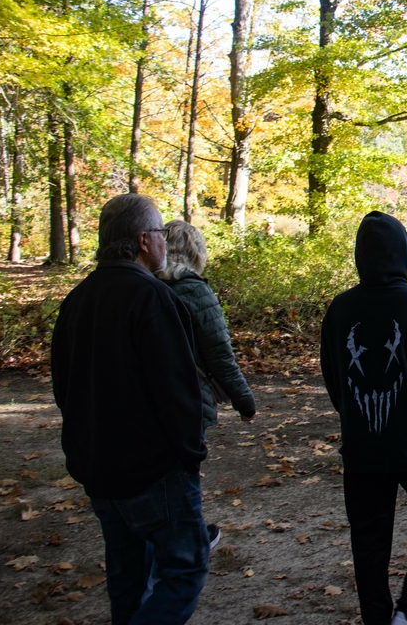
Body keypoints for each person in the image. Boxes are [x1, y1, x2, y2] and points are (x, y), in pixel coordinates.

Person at [51, 194, 210, 625]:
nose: (164, 241)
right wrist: (191, 455)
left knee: (128, 581)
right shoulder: (154, 299)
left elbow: (64, 388)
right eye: (160, 233)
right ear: (144, 240)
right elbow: (178, 392)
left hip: (99, 471)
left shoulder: (77, 300)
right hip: (153, 474)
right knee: (184, 570)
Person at [319, 212, 407, 625]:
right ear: (404, 252)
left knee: (368, 539)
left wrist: (351, 415)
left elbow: (333, 376)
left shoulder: (341, 309)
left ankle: (378, 618)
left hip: (362, 445)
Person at [157, 220, 257, 429]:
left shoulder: (145, 285)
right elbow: (219, 354)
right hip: (187, 398)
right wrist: (245, 402)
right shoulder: (195, 290)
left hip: (147, 399)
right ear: (196, 252)